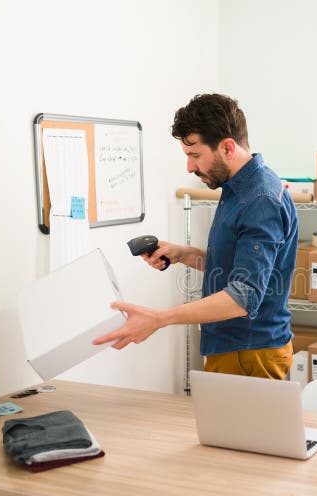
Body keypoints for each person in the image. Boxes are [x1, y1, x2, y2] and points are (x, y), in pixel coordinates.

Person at [93, 94, 298, 379]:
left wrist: (159, 319)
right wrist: (184, 254)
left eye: (195, 155)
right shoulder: (238, 188)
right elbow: (239, 269)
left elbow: (243, 297)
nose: (189, 167)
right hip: (238, 349)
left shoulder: (259, 199)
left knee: (234, 426)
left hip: (248, 352)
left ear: (227, 147)